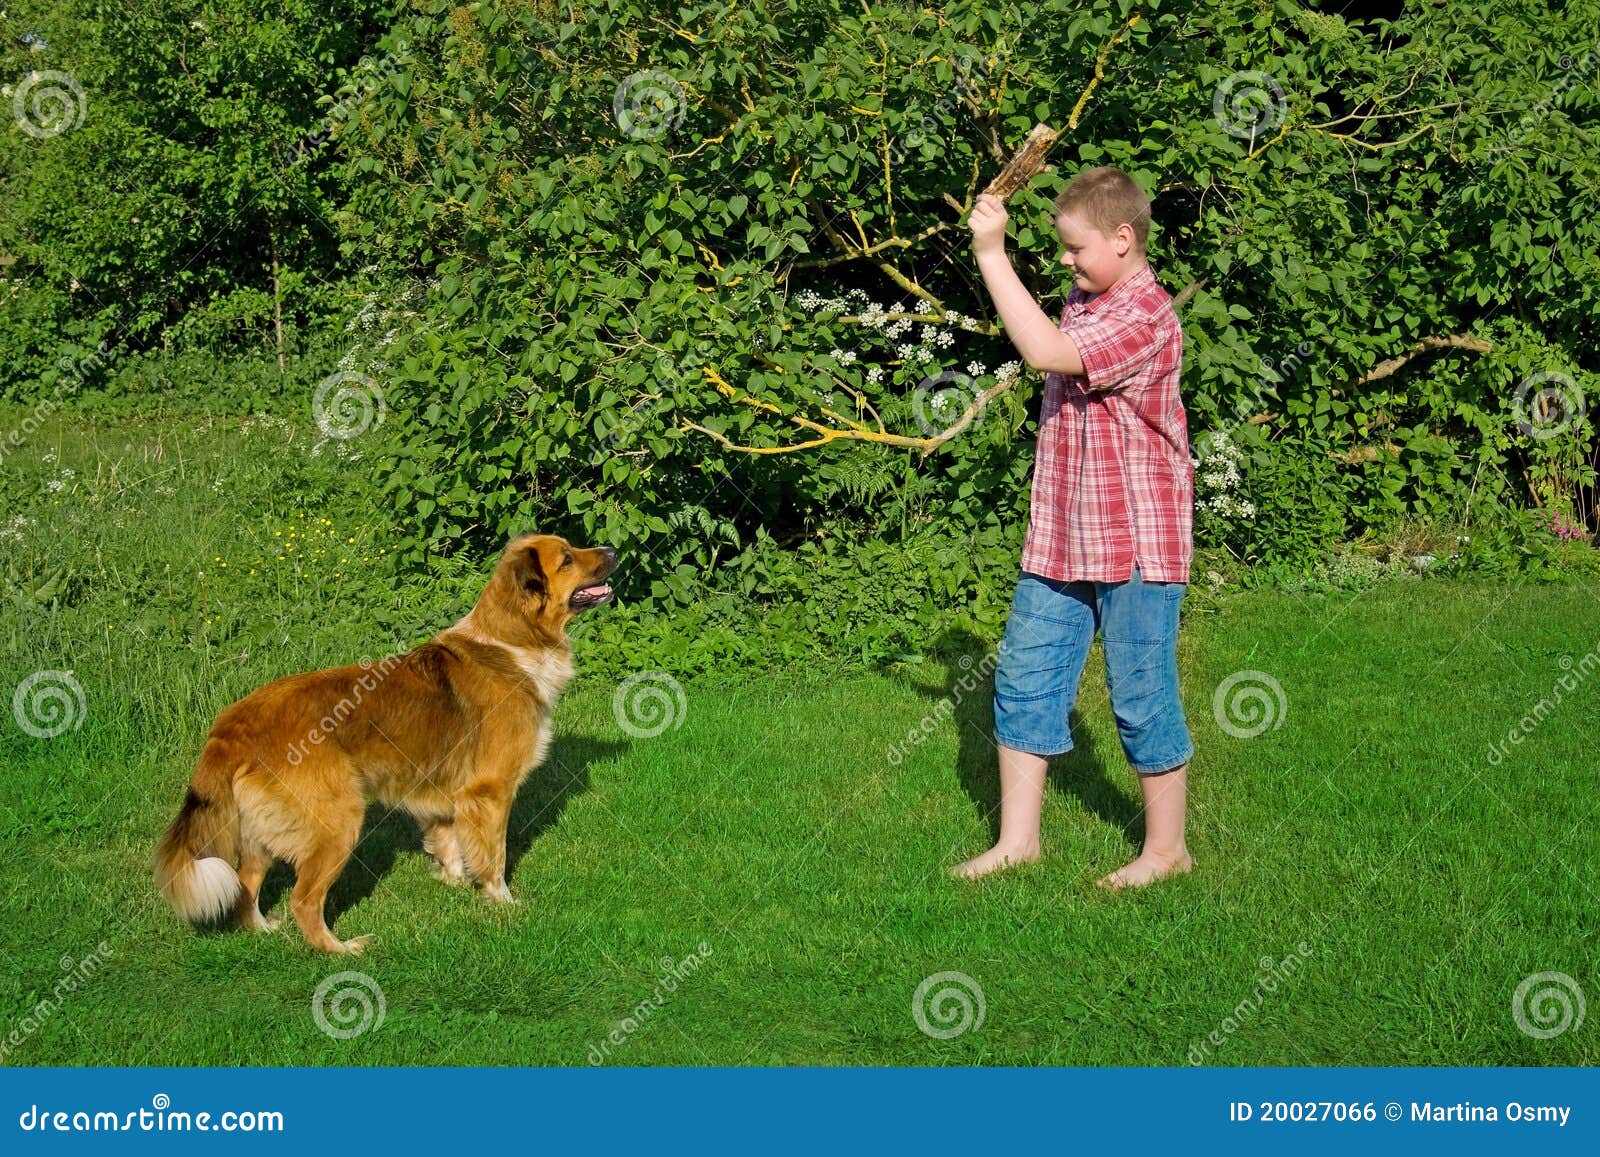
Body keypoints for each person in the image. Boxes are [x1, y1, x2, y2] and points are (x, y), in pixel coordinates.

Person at [955, 166, 1195, 888]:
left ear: (1124, 239)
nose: (1064, 260)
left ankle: (1166, 850)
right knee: (1026, 679)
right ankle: (1018, 841)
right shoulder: (1090, 298)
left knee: (1140, 691)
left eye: (1075, 248)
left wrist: (992, 256)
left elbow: (1045, 352)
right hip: (1062, 529)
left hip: (1135, 539)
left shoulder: (1146, 314)